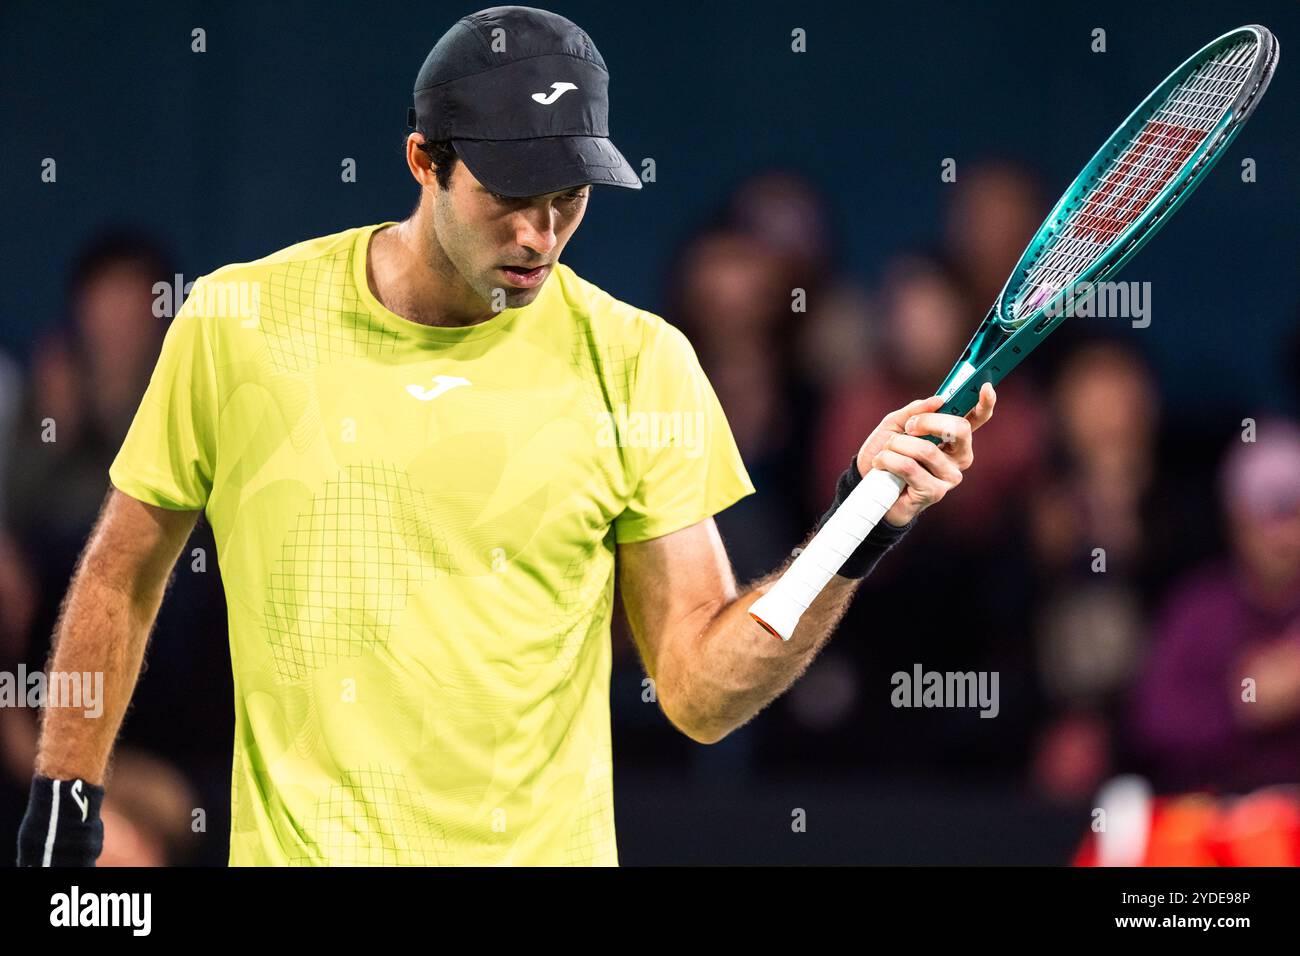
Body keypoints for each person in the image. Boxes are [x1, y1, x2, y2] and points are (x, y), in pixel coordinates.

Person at [17, 5, 994, 867]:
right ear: (423, 162)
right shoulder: (236, 324)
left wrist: (857, 527)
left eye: (567, 198)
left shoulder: (638, 362)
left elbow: (699, 691)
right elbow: (122, 575)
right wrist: (66, 796)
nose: (539, 234)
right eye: (510, 196)